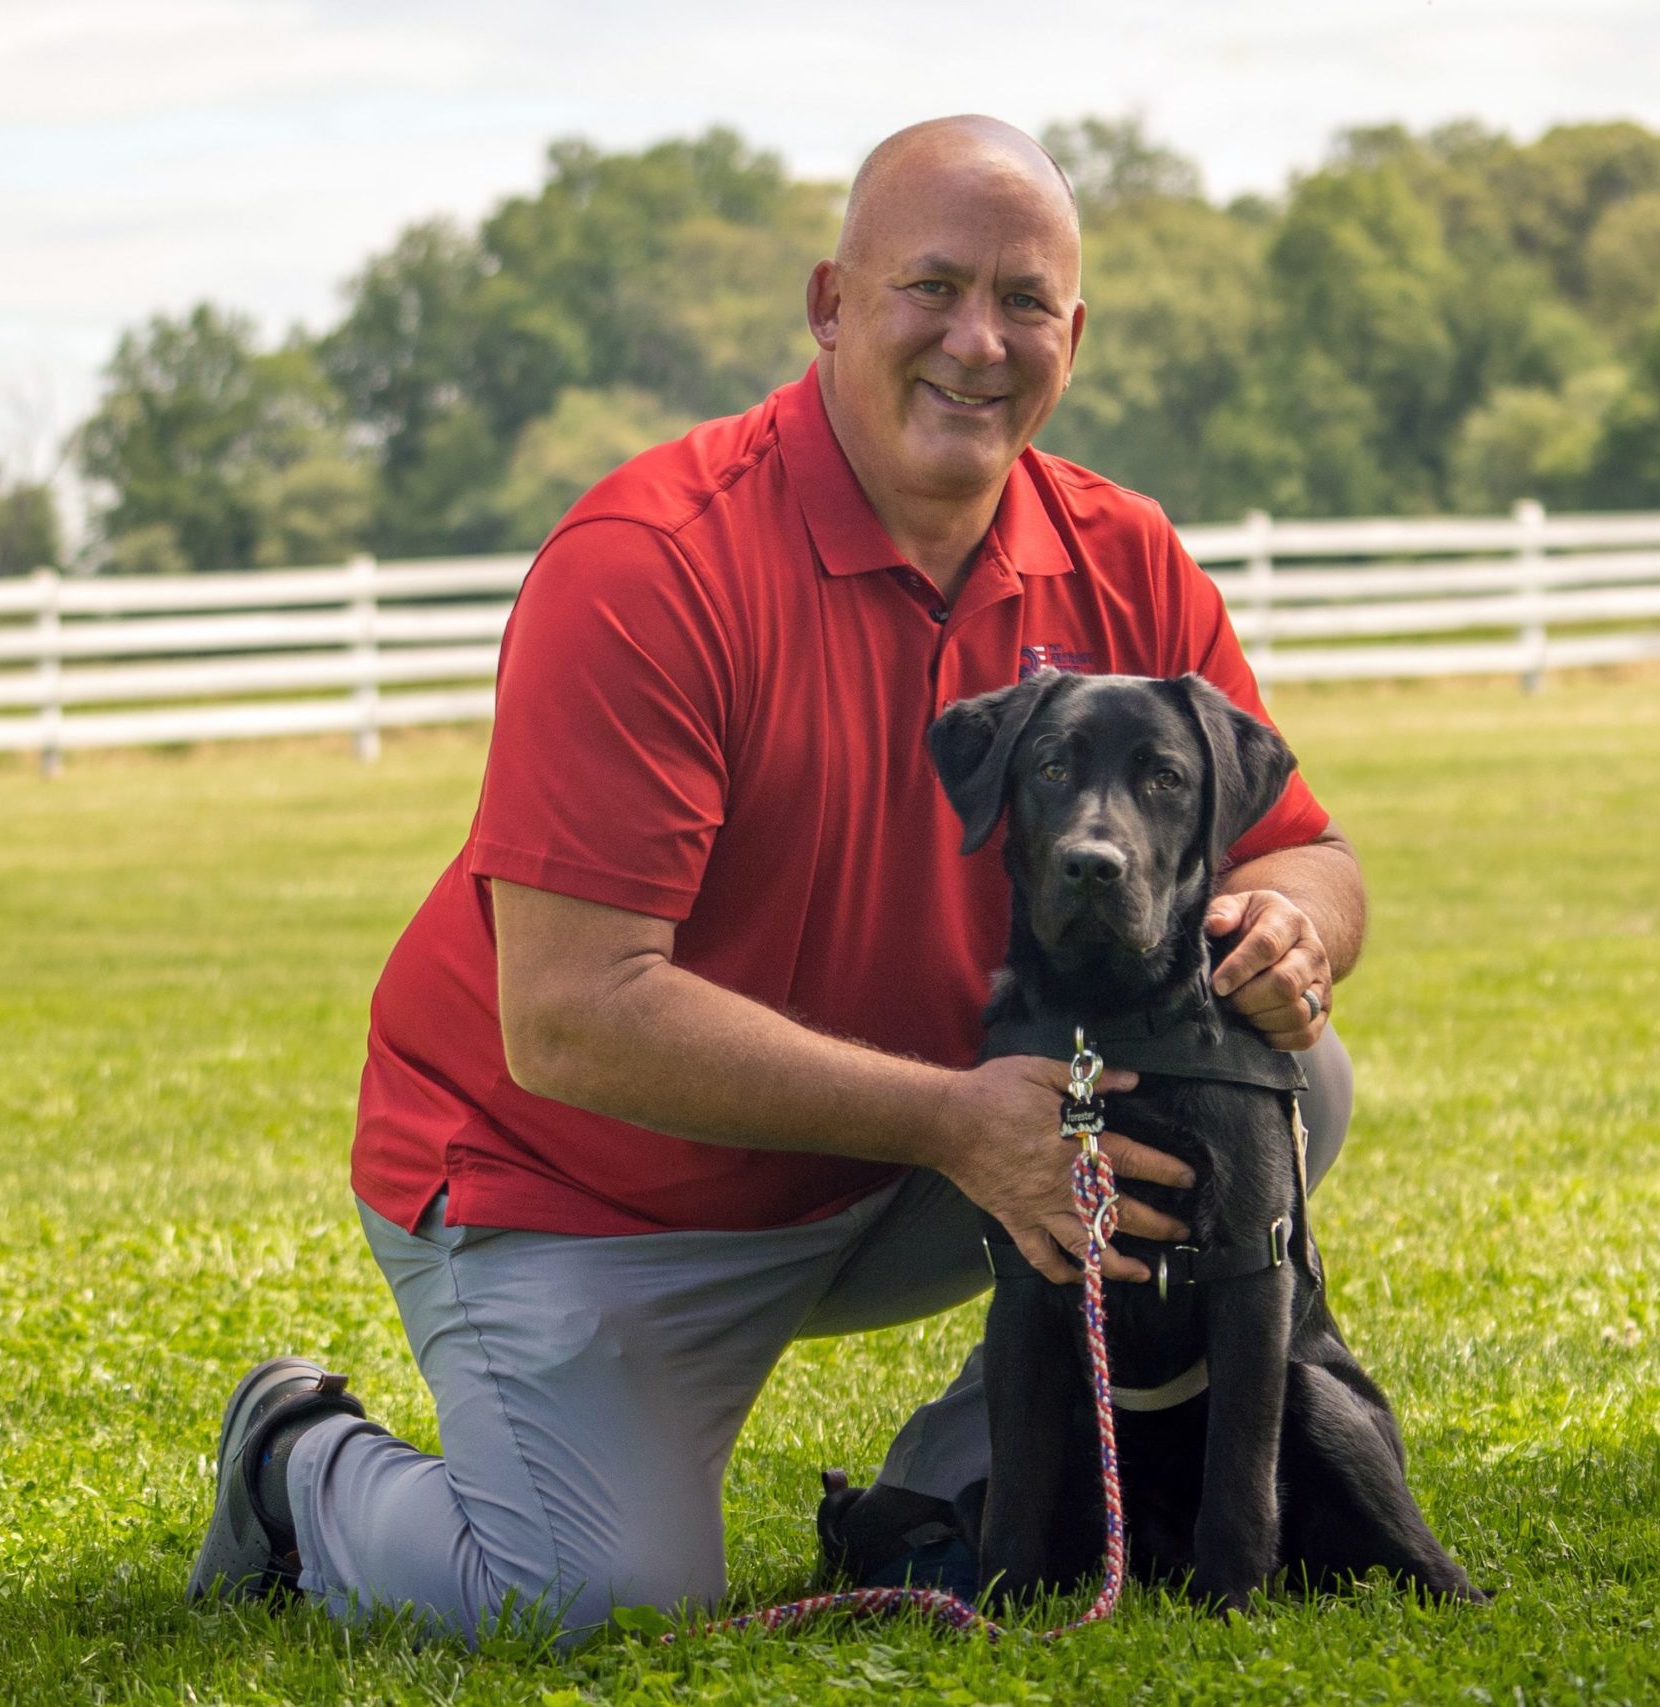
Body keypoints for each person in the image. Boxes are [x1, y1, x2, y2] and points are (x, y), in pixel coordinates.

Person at [188, 113, 1367, 1642]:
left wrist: (1292, 927)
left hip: (919, 1149)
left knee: (1281, 1073)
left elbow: (1304, 849)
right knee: (593, 1602)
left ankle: (965, 1493)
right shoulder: (650, 563)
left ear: (1073, 338)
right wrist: (952, 1120)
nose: (978, 341)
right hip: (588, 1187)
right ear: (829, 304)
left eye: (1023, 302)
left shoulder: (1122, 553)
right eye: (930, 287)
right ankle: (296, 1464)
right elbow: (571, 1015)